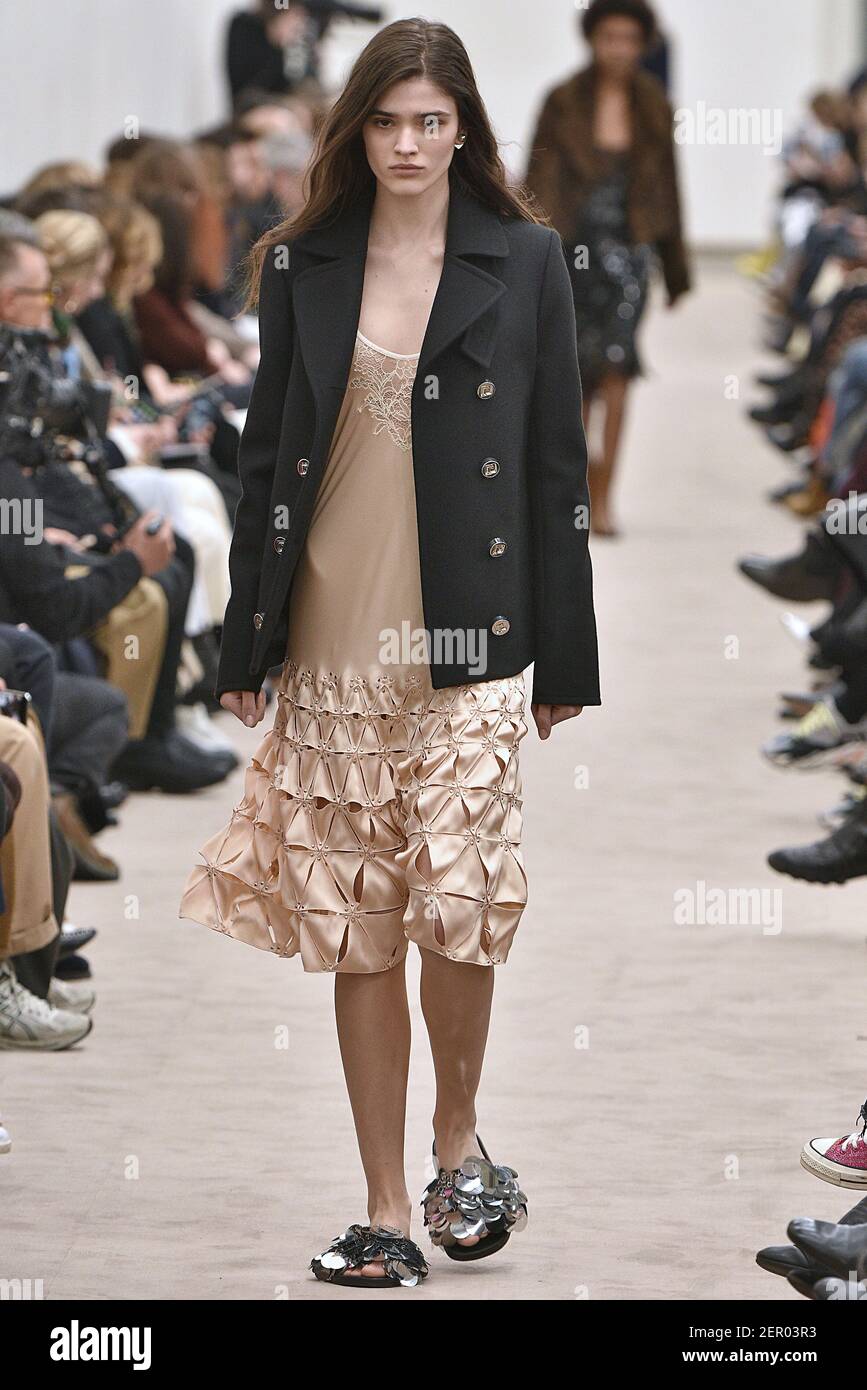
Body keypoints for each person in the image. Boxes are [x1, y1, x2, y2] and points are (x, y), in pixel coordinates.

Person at [180, 16, 600, 1289]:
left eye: (431, 120)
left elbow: (554, 463)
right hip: (331, 641)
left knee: (459, 903)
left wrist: (567, 657)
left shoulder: (525, 259)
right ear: (355, 131)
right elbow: (266, 462)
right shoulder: (302, 261)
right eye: (386, 120)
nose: (409, 143)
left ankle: (458, 1139)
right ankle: (379, 1208)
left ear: (464, 126)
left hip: (470, 641)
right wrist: (247, 639)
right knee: (360, 922)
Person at [524, 0, 691, 536]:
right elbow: (537, 178)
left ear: (643, 44)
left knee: (619, 369)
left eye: (628, 38)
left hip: (630, 255)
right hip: (570, 249)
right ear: (592, 39)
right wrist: (528, 257)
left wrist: (676, 268)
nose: (618, 48)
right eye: (609, 37)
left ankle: (606, 494)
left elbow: (668, 186)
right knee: (573, 373)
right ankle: (573, 487)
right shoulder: (562, 100)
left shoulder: (654, 104)